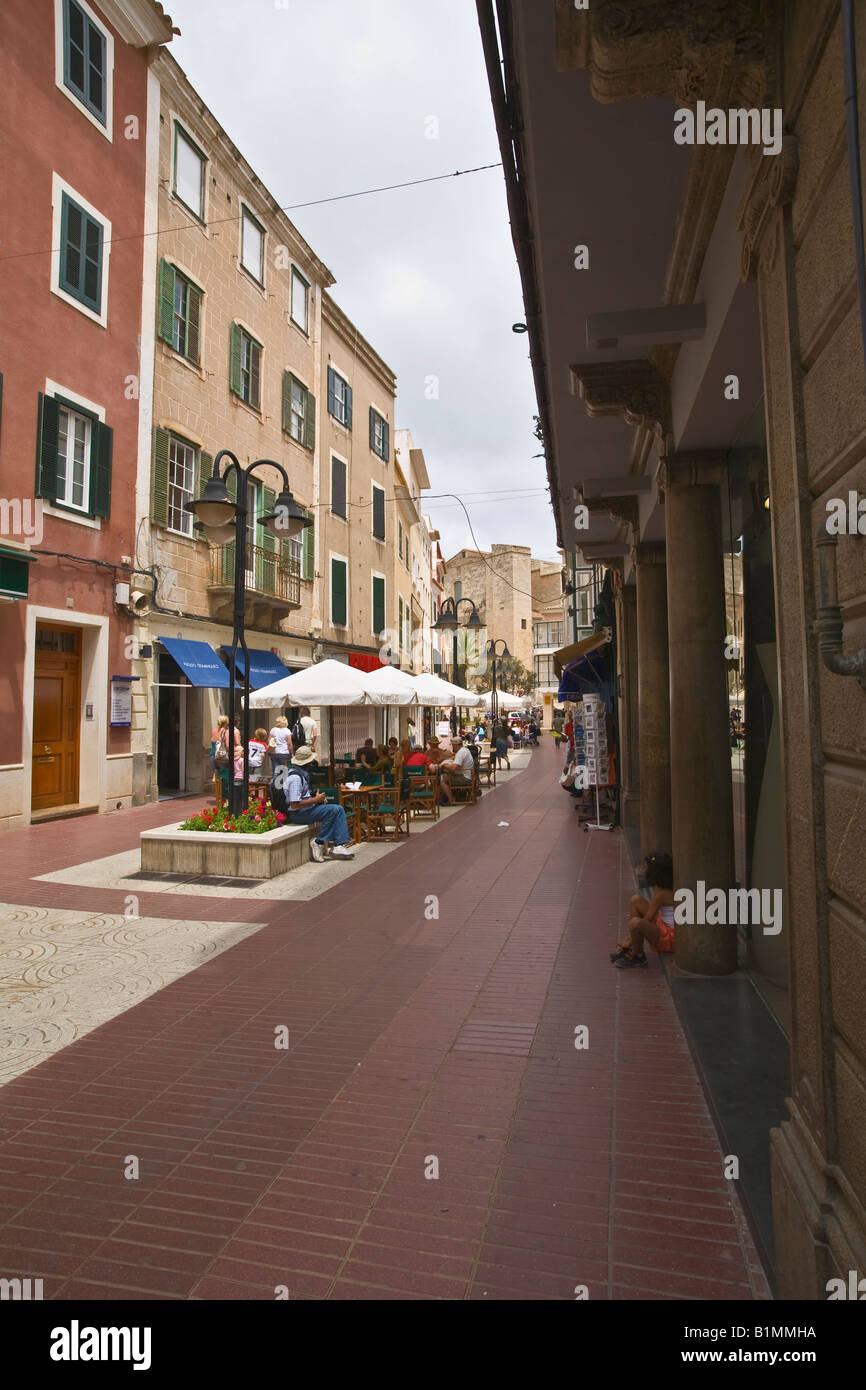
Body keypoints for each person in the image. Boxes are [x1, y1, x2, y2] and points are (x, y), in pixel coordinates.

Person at [271, 746, 355, 863]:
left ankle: (338, 844)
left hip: (305, 810)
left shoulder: (300, 774)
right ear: (307, 762)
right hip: (299, 814)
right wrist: (316, 800)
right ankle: (319, 842)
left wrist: (316, 799)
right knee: (335, 810)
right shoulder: (295, 778)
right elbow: (295, 804)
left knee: (337, 809)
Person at [611, 853, 676, 969]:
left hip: (670, 938)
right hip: (664, 926)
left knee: (635, 923)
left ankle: (638, 955)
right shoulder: (661, 888)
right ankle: (634, 948)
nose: (644, 870)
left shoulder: (661, 895)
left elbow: (646, 920)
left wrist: (629, 940)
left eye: (646, 868)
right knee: (635, 900)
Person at [439, 736, 481, 805]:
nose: (452, 747)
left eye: (452, 745)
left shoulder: (461, 753)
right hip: (469, 775)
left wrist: (444, 765)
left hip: (465, 777)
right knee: (448, 775)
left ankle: (451, 799)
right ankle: (454, 796)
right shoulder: (465, 750)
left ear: (455, 745)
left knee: (442, 779)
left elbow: (453, 768)